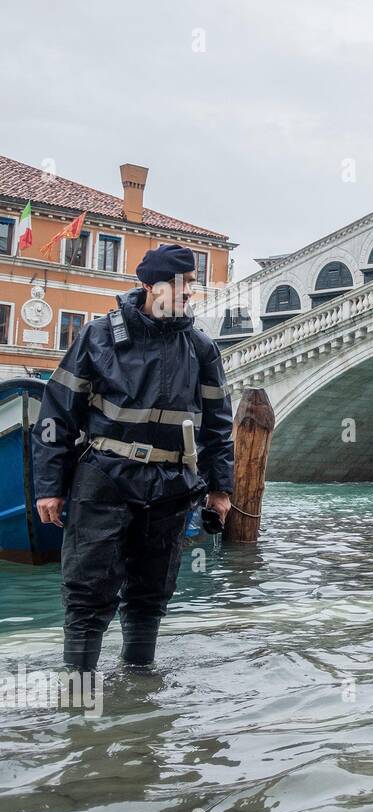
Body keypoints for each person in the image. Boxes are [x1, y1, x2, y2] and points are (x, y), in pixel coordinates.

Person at [33, 244, 234, 672]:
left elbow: (218, 425)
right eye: (182, 285)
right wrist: (49, 487)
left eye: (192, 285)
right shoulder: (98, 336)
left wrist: (220, 489)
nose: (189, 294)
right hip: (103, 480)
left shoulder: (200, 348)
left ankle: (139, 693)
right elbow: (56, 415)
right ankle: (78, 697)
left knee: (151, 593)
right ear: (151, 285)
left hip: (169, 486)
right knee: (88, 590)